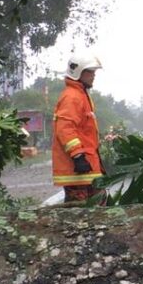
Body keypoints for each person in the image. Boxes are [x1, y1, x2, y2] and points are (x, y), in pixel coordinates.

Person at [52, 53, 106, 204]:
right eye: (90, 72)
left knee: (99, 204)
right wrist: (78, 157)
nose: (93, 75)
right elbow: (65, 128)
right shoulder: (72, 97)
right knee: (81, 212)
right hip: (78, 169)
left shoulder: (80, 95)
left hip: (86, 167)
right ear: (78, 73)